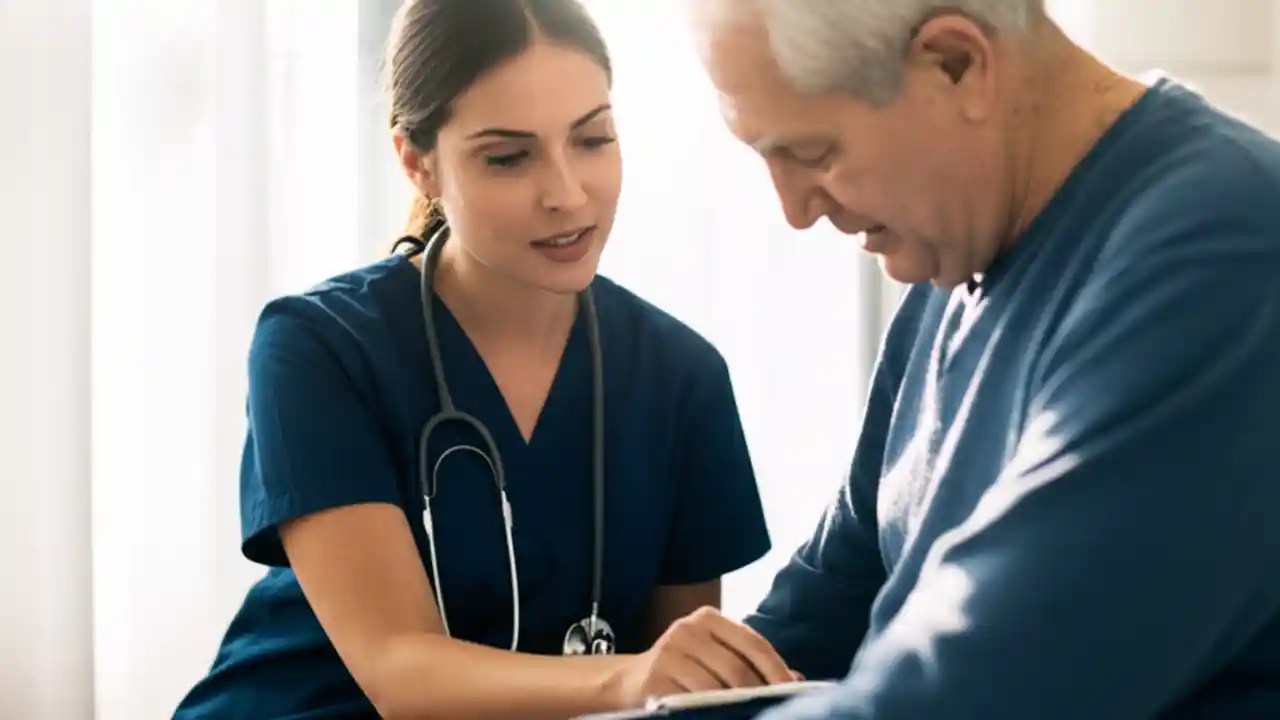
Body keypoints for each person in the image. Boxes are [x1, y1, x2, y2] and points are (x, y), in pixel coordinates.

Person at [174, 1, 801, 717]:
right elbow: (398, 669)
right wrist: (629, 679)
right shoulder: (319, 348)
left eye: (593, 139)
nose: (567, 195)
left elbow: (675, 692)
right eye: (508, 157)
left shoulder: (682, 378)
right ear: (418, 163)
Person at [689, 0, 1280, 718]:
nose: (796, 210)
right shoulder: (955, 257)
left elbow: (985, 690)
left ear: (956, 65)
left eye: (815, 154)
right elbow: (806, 630)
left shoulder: (1223, 251)